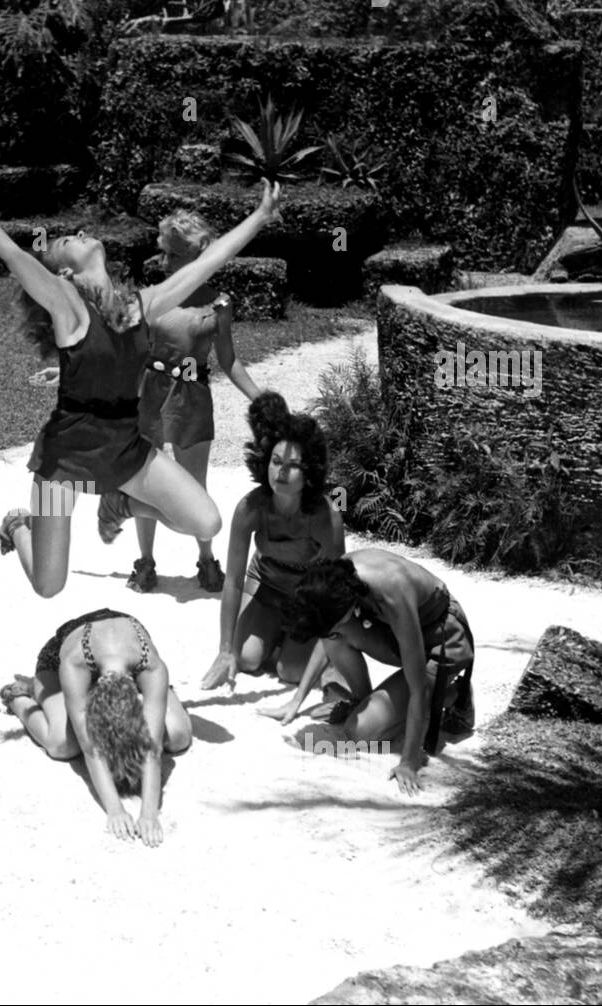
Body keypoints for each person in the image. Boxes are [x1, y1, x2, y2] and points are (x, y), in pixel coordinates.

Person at [0, 146, 280, 598]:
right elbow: (10, 253)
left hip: (126, 449)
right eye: (69, 239)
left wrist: (259, 217)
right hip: (63, 460)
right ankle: (17, 526)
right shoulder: (67, 306)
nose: (81, 232)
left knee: (205, 520)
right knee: (48, 585)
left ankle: (119, 500)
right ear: (64, 270)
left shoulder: (138, 306)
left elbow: (207, 262)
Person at [128, 209, 262, 594]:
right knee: (144, 481)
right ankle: (145, 561)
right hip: (149, 393)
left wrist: (259, 398)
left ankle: (206, 558)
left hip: (193, 396)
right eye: (164, 253)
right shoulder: (155, 298)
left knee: (194, 484)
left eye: (172, 254)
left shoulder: (220, 304)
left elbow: (229, 360)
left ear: (195, 256)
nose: (164, 262)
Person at [277, 551, 476, 795]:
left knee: (360, 733)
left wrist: (409, 762)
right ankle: (364, 703)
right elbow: (327, 636)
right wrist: (297, 700)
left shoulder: (393, 591)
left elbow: (418, 689)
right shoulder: (337, 581)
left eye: (338, 621)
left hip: (441, 640)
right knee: (334, 638)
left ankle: (454, 695)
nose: (337, 627)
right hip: (397, 632)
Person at [0, 610, 192, 846]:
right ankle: (18, 698)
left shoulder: (150, 664)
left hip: (127, 647)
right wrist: (115, 810)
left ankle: (159, 694)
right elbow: (89, 746)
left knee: (179, 734)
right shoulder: (75, 663)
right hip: (61, 659)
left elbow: (152, 748)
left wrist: (149, 814)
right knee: (61, 744)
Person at [200, 392, 344, 691]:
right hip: (266, 587)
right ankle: (275, 635)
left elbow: (336, 592)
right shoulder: (250, 508)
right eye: (276, 461)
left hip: (307, 598)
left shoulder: (325, 516)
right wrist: (225, 650)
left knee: (289, 671)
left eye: (292, 465)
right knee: (247, 660)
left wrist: (334, 658)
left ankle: (289, 640)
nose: (281, 470)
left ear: (310, 474)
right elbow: (233, 582)